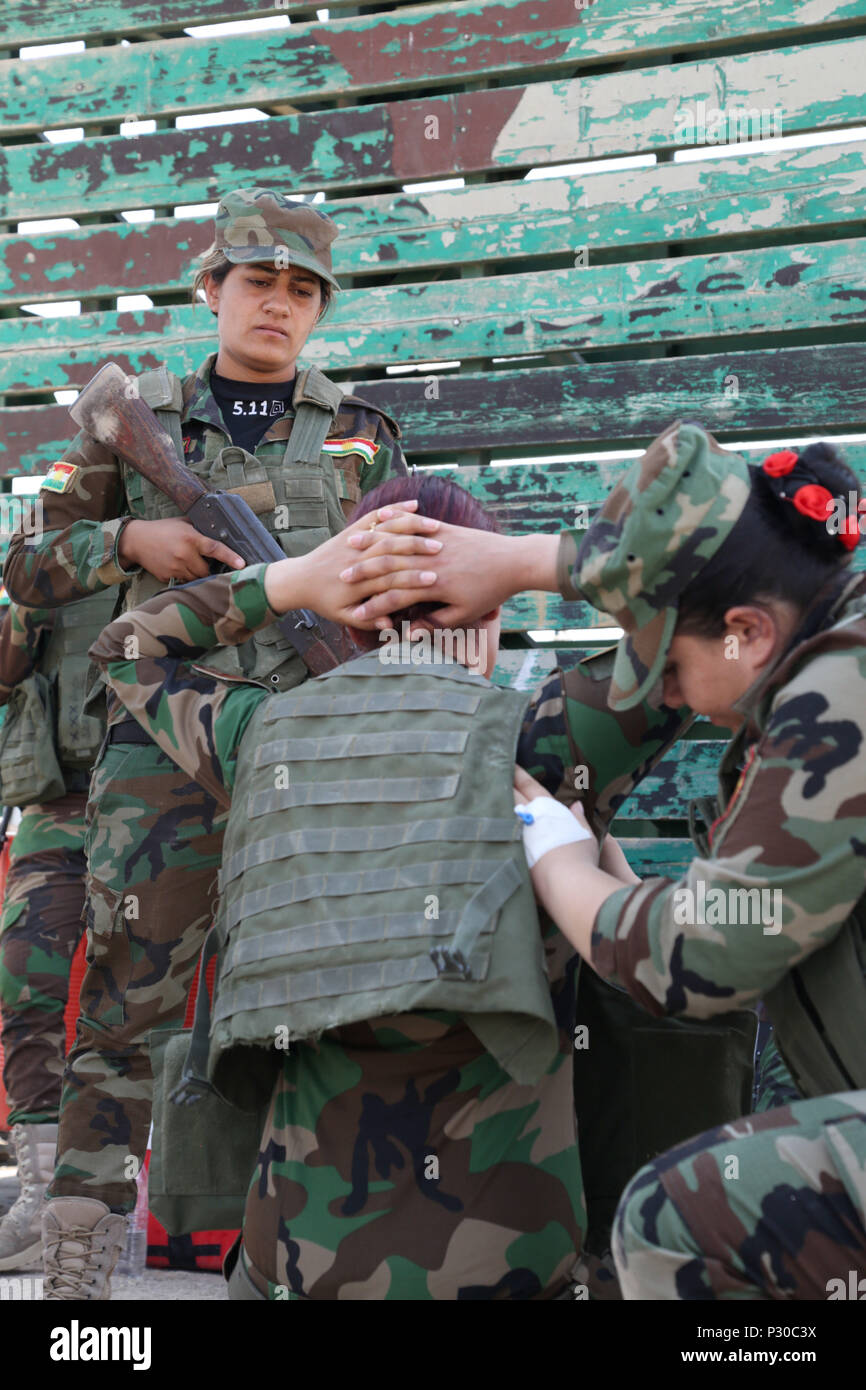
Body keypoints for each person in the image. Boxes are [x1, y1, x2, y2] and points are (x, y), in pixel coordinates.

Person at [89, 469, 760, 1300]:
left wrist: (293, 580)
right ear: (492, 610)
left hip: (294, 1260)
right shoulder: (543, 744)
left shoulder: (261, 740)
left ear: (350, 602)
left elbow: (123, 647)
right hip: (514, 1262)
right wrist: (522, 560)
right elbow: (722, 605)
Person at [2, 187, 423, 1300]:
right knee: (127, 1002)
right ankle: (83, 1254)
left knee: (314, 1002)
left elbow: (403, 586)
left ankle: (301, 1251)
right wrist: (129, 536)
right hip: (161, 738)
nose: (278, 306)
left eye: (300, 290)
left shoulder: (361, 434)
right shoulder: (138, 421)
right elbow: (28, 571)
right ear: (210, 292)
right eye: (257, 283)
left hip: (308, 741)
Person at [448, 422, 866, 1300]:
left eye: (668, 671)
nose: (669, 698)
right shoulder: (831, 640)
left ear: (746, 632)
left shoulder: (840, 691)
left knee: (675, 1218)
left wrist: (560, 863)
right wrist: (526, 561)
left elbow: (704, 961)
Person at [0, 589, 113, 1271]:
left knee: (139, 1002)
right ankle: (42, 1198)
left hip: (168, 793)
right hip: (58, 796)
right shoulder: (54, 555)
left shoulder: (198, 540)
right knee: (23, 979)